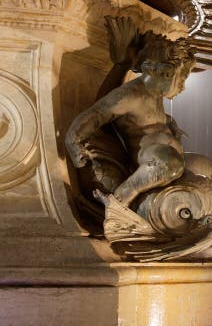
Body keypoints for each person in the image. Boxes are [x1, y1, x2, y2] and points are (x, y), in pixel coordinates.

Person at [66, 34, 195, 208]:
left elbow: (156, 122)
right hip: (149, 161)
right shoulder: (132, 95)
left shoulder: (155, 94)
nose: (182, 86)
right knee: (170, 164)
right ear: (162, 72)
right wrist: (74, 141)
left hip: (167, 161)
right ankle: (118, 202)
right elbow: (97, 113)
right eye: (180, 79)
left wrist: (172, 125)